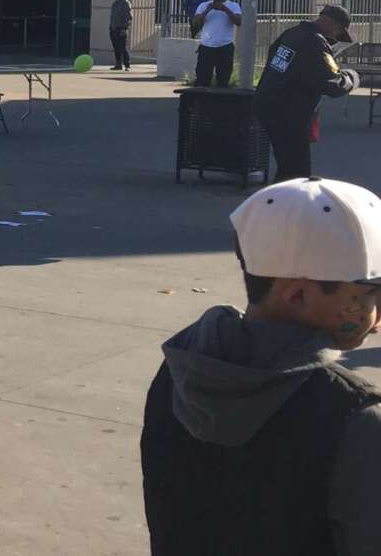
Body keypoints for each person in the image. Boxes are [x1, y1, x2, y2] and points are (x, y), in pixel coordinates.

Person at [141, 177, 381, 555]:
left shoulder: (180, 371)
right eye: (368, 295)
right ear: (298, 293)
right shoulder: (355, 417)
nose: (376, 316)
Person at [252, 5, 360, 181]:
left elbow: (278, 63)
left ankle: (278, 202)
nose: (334, 37)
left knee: (287, 165)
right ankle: (284, 206)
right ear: (329, 22)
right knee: (297, 172)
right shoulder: (314, 42)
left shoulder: (292, 33)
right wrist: (352, 77)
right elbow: (333, 84)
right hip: (288, 113)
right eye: (337, 31)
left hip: (270, 107)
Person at [191, 0, 241, 87]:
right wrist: (208, 10)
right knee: (202, 80)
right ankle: (201, 102)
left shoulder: (233, 5)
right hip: (206, 47)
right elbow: (195, 23)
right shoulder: (204, 5)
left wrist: (225, 9)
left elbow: (238, 21)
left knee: (223, 80)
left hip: (225, 47)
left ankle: (220, 102)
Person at [110, 0, 133, 71]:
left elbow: (128, 17)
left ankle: (127, 65)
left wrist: (124, 28)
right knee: (116, 47)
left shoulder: (125, 3)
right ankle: (118, 64)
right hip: (113, 28)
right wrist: (111, 27)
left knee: (123, 47)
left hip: (121, 28)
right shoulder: (114, 3)